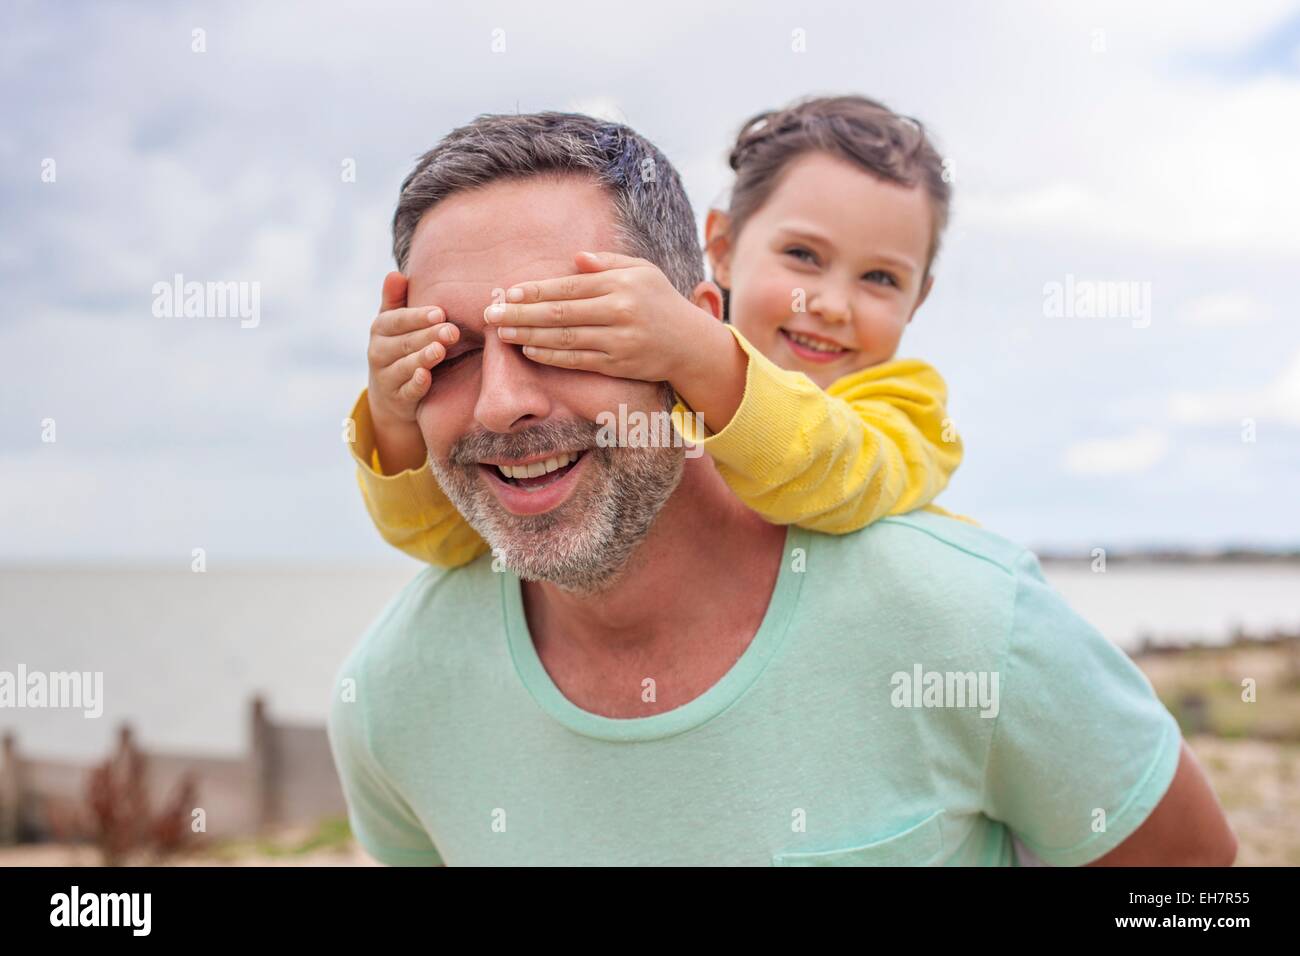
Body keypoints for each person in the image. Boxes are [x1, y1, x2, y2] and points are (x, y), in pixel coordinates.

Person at [327, 110, 1236, 866]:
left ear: (696, 324)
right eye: (452, 352)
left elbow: (1195, 884)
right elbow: (441, 523)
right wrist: (398, 424)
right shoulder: (394, 693)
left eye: (568, 334)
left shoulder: (962, 613)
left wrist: (700, 360)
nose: (504, 404)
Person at [346, 96, 971, 570]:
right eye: (804, 256)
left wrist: (697, 348)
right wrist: (396, 413)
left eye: (882, 278)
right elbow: (440, 537)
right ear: (721, 248)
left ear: (920, 299)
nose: (833, 305)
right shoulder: (652, 375)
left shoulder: (905, 402)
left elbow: (836, 477)